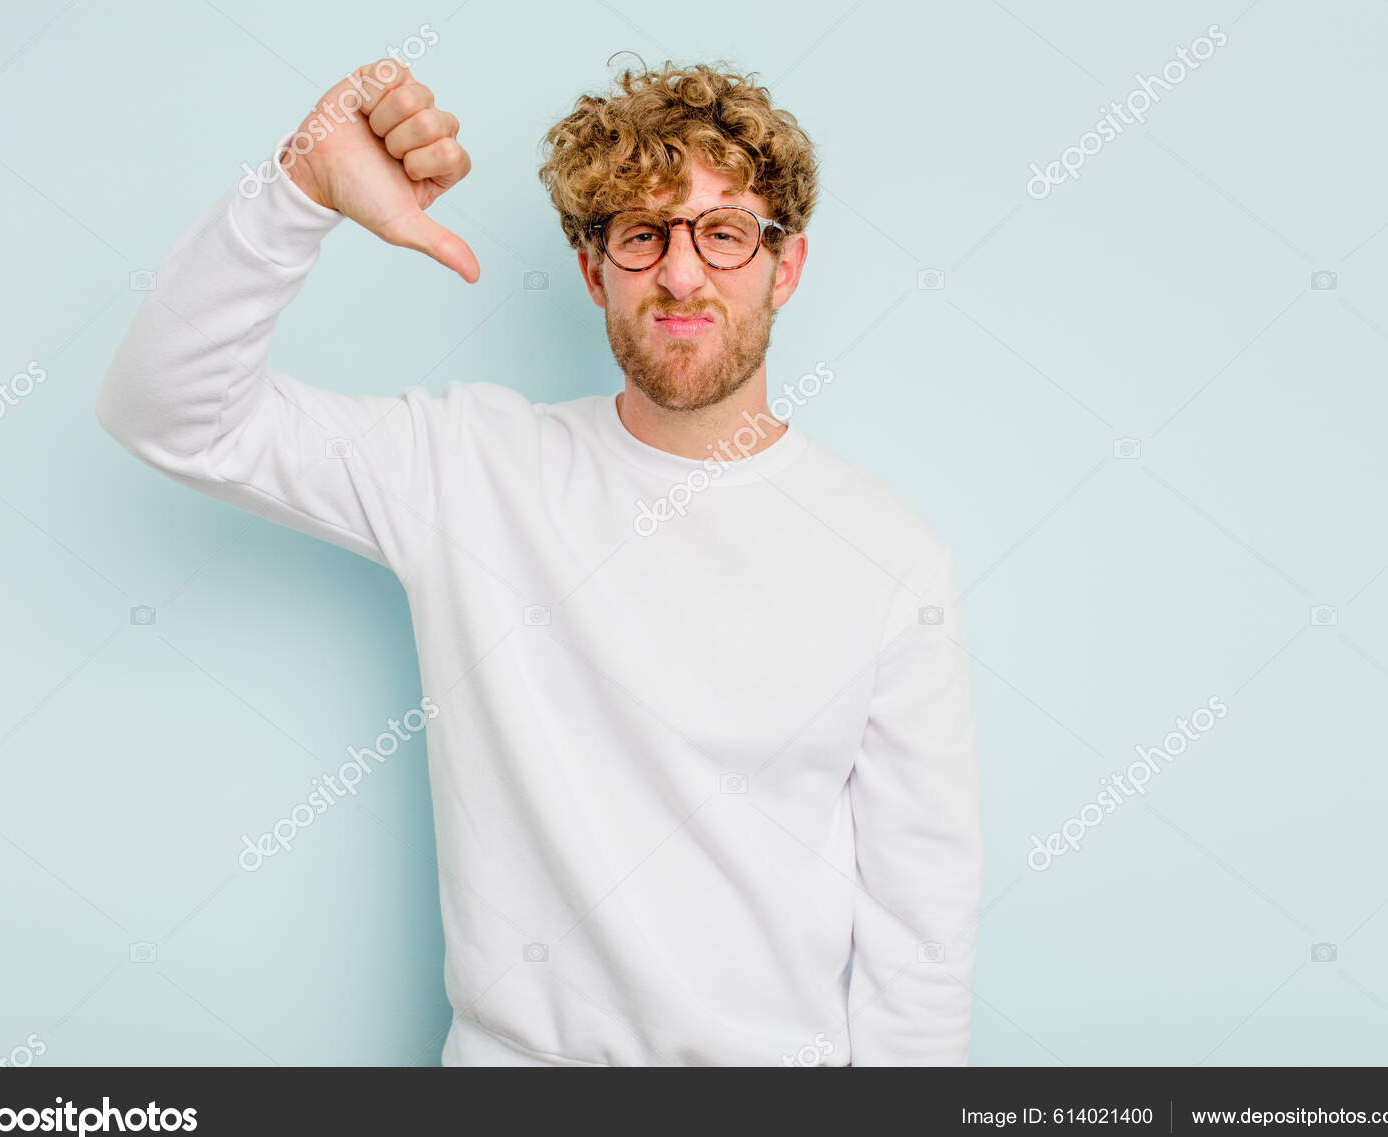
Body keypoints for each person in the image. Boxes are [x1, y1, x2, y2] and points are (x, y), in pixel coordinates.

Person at [96, 54, 982, 1067]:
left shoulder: (890, 557)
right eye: (641, 233)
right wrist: (297, 187)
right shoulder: (469, 468)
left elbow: (921, 930)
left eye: (724, 232)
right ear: (593, 270)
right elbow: (166, 409)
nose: (681, 273)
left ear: (785, 266)